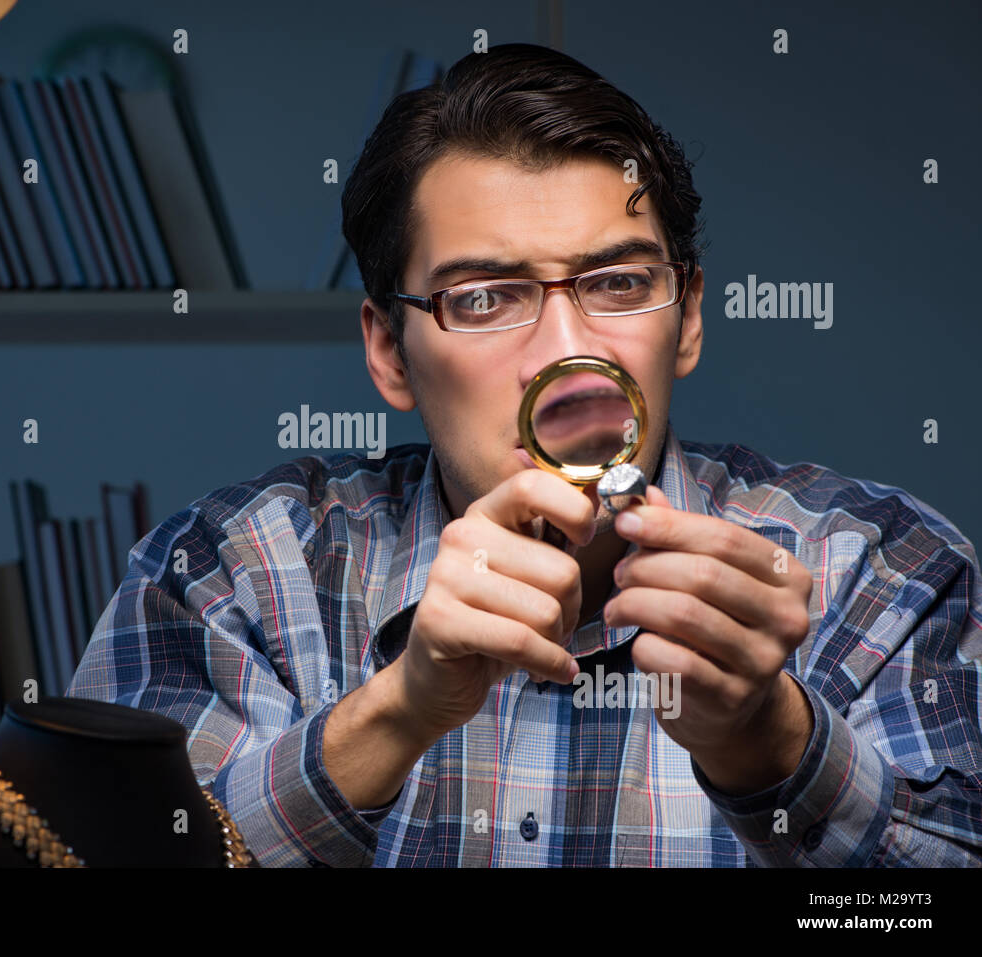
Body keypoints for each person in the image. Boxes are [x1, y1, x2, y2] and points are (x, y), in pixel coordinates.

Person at [68, 43, 982, 866]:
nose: (565, 356)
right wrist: (400, 710)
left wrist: (770, 741)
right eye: (485, 297)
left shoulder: (886, 571)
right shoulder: (226, 574)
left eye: (618, 283)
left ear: (690, 318)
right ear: (389, 349)